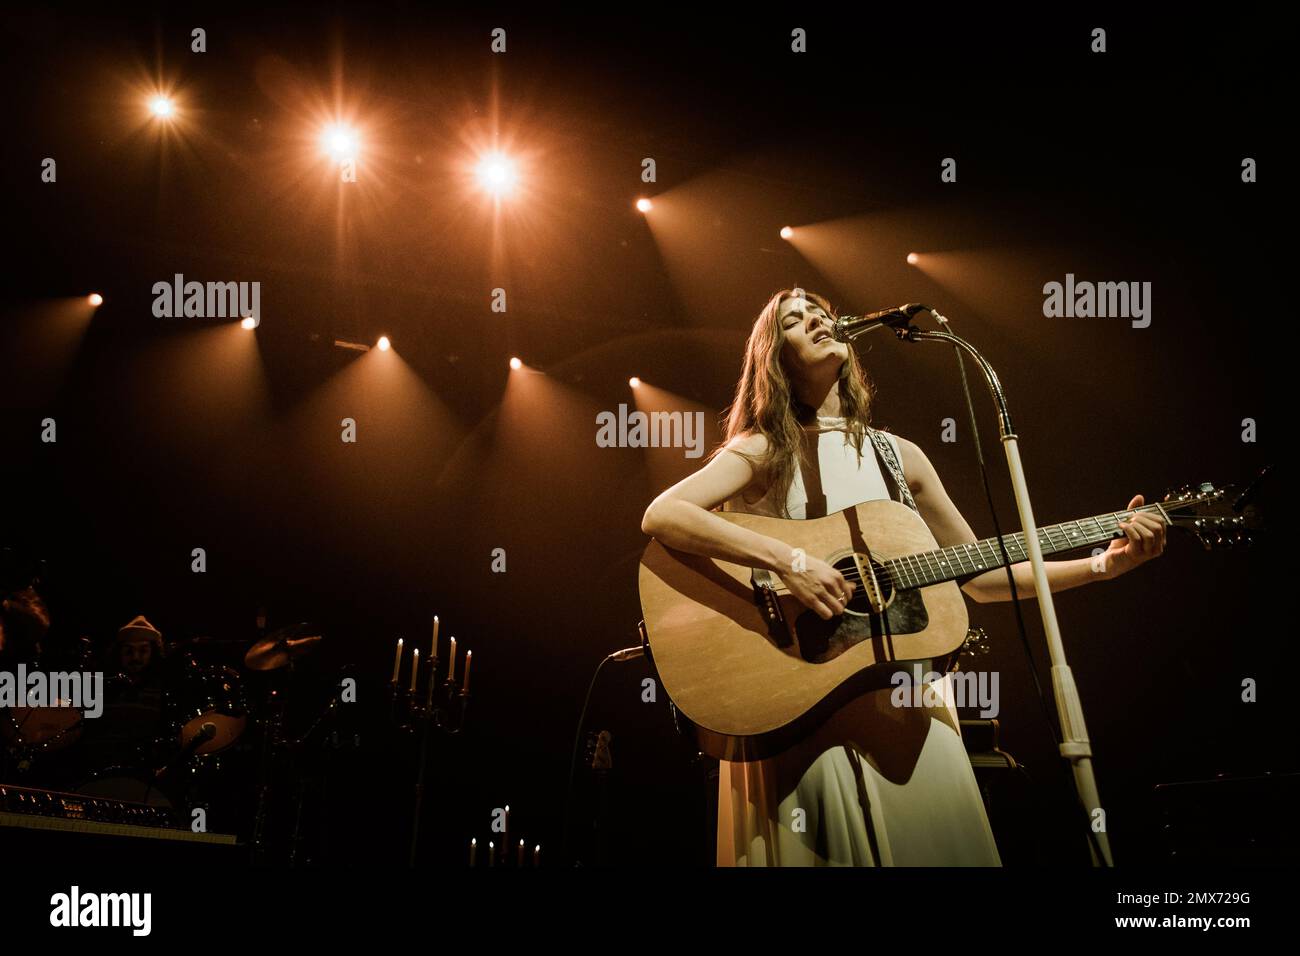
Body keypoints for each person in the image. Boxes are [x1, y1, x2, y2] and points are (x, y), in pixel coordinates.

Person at [640, 288, 1166, 866]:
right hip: (800, 704)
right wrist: (791, 563)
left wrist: (1103, 564)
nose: (817, 318)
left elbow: (981, 575)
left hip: (910, 706)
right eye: (794, 319)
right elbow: (663, 515)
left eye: (820, 310)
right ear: (774, 357)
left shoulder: (901, 457)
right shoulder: (763, 449)